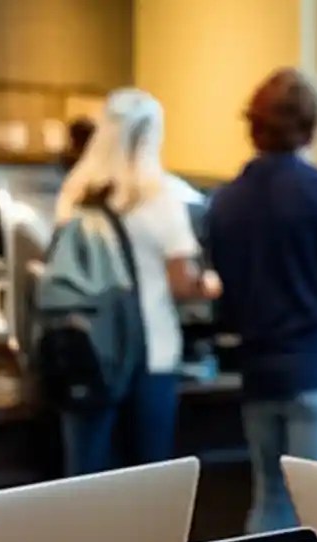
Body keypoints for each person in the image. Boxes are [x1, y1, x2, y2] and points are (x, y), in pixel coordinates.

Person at [205, 68, 317, 533]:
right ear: (311, 124)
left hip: (260, 371)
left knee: (270, 499)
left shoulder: (226, 202)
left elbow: (228, 297)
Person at [53, 88, 219, 476]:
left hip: (88, 353)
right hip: (151, 355)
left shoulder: (75, 193)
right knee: (149, 485)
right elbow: (182, 283)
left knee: (87, 484)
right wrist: (208, 285)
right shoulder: (159, 197)